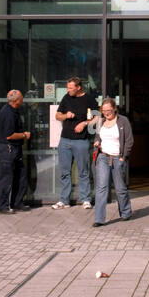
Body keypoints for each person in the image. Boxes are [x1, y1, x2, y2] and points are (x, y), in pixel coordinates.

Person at [88, 97, 134, 226]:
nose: (106, 113)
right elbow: (98, 136)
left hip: (117, 157)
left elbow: (129, 141)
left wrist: (123, 157)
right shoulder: (100, 122)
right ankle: (99, 219)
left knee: (120, 188)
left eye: (109, 110)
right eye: (103, 111)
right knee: (101, 187)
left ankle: (125, 212)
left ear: (114, 109)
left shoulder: (123, 121)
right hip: (103, 157)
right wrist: (97, 141)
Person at [52, 76, 93, 209]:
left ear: (78, 87)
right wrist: (66, 115)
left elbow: (97, 117)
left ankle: (85, 199)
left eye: (70, 88)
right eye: (67, 87)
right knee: (65, 172)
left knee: (83, 171)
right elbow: (57, 116)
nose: (68, 90)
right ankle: (64, 200)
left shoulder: (89, 99)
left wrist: (84, 123)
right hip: (65, 140)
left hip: (81, 141)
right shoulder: (66, 97)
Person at [0, 89, 31, 214]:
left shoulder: (13, 110)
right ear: (16, 101)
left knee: (21, 176)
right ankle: (2, 206)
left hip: (15, 148)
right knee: (6, 178)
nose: (23, 100)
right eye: (21, 98)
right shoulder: (8, 113)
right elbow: (9, 135)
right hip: (8, 148)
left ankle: (17, 202)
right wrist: (24, 135)